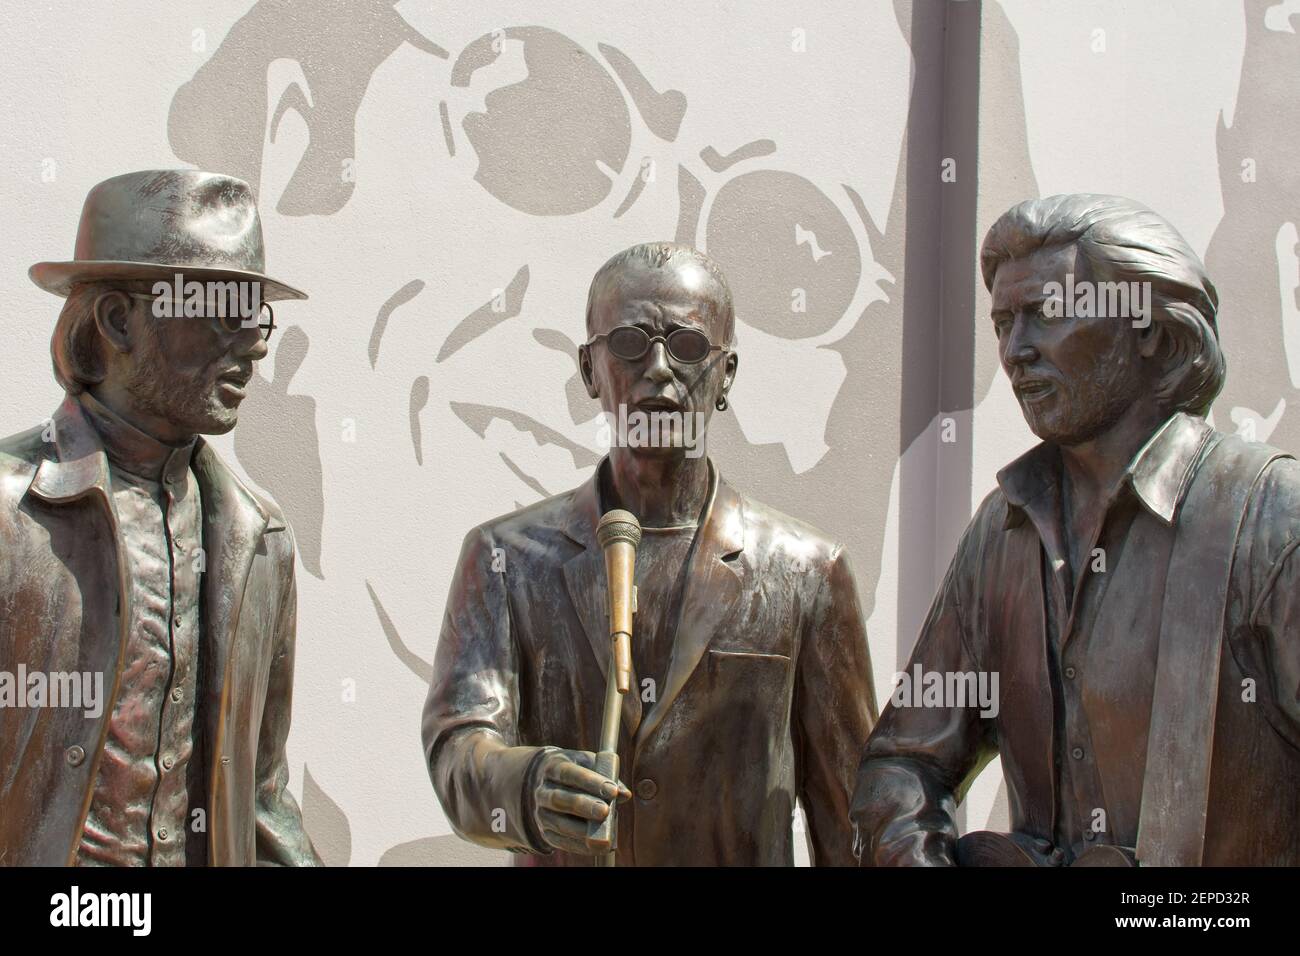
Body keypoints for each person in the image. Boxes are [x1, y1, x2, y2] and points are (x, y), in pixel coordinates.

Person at [852, 194, 1300, 866]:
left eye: (1046, 315)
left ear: (1148, 329)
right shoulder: (1002, 533)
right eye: (1004, 323)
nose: (1016, 351)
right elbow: (903, 762)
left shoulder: (1268, 517)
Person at [423, 242, 877, 865]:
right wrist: (526, 786)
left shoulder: (807, 573)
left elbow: (848, 815)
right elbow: (458, 746)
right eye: (630, 344)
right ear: (589, 371)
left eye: (688, 347)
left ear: (725, 375)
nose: (659, 369)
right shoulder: (506, 560)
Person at [0, 169, 321, 866]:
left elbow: (261, 801)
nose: (255, 344)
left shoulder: (256, 541)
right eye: (222, 309)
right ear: (119, 320)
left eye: (256, 313)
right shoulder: (8, 517)